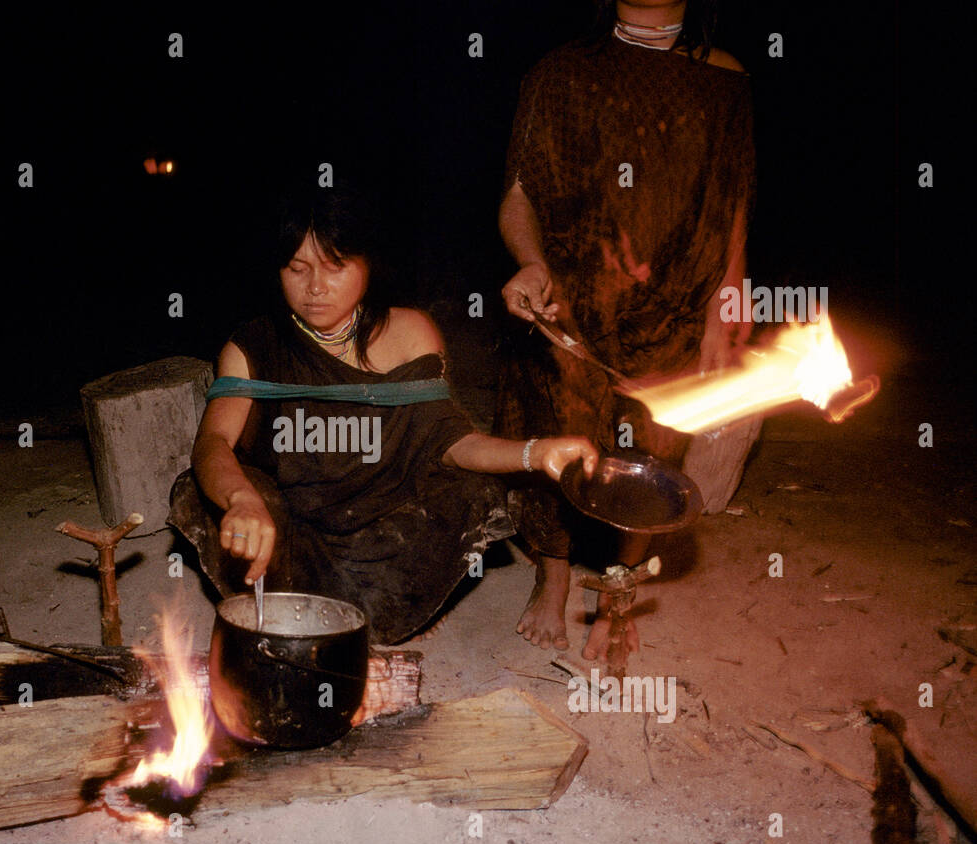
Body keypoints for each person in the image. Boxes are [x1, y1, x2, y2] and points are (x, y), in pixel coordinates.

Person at [169, 186, 598, 646]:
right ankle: (292, 603)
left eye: (335, 267)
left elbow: (452, 443)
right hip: (290, 527)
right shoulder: (253, 346)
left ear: (368, 266)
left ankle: (398, 604)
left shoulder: (411, 333)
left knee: (476, 490)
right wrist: (240, 499)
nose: (314, 287)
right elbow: (212, 442)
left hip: (388, 521)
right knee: (200, 493)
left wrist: (537, 452)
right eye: (297, 268)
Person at [496, 0, 755, 658]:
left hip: (674, 296)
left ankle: (617, 594)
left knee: (651, 452)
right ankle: (551, 580)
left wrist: (729, 294)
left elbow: (731, 204)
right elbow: (520, 192)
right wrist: (531, 264)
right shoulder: (559, 74)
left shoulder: (724, 80)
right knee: (558, 430)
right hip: (569, 299)